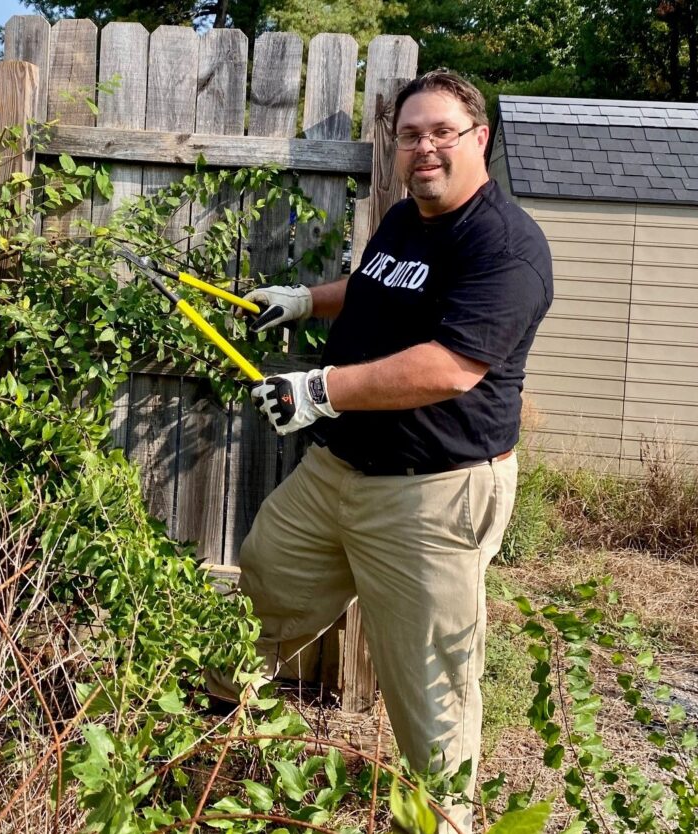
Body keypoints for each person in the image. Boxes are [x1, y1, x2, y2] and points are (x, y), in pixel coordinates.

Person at [234, 69, 553, 831]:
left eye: (442, 131)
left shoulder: (506, 246)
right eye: (411, 134)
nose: (425, 147)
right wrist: (309, 300)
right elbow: (377, 282)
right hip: (336, 472)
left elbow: (451, 366)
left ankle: (442, 821)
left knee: (432, 688)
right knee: (262, 581)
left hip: (432, 496)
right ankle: (218, 728)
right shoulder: (406, 218)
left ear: (479, 138)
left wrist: (320, 391)